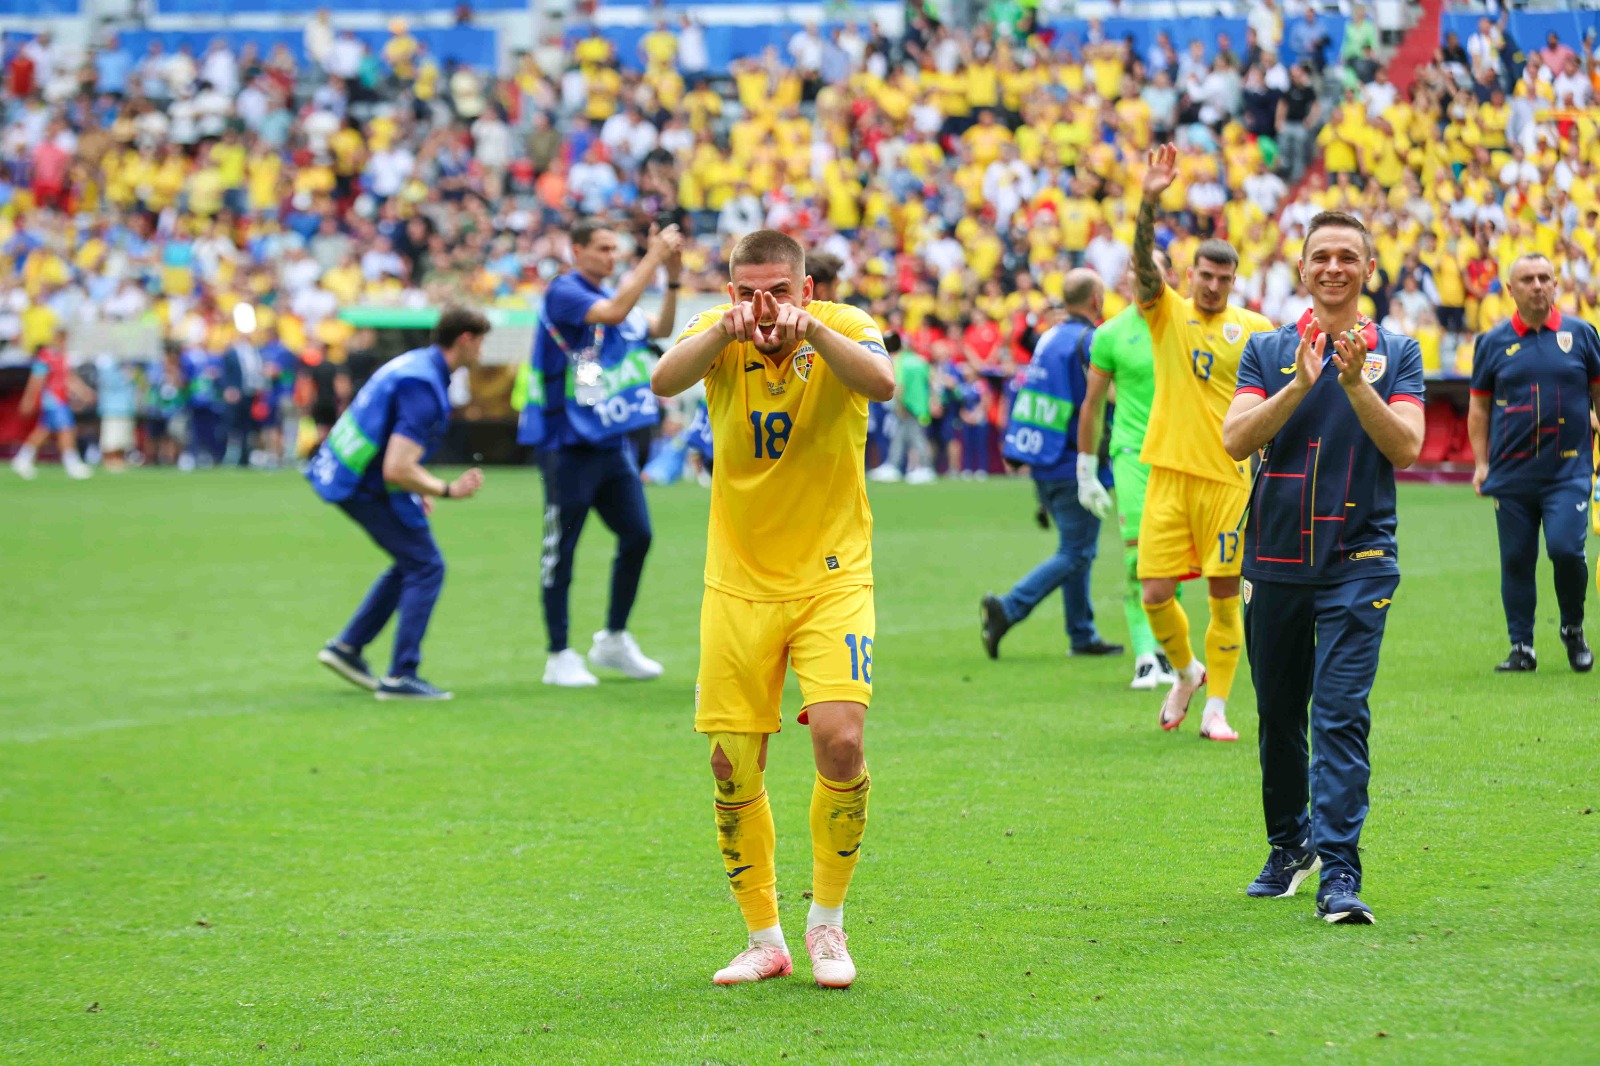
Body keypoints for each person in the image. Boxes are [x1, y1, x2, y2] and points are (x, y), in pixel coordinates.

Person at [650, 229, 895, 989]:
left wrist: (810, 330)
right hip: (738, 584)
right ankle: (764, 937)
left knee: (840, 742)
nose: (763, 306)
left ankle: (827, 925)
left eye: (778, 292)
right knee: (731, 763)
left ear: (806, 289)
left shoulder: (845, 327)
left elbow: (881, 384)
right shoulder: (717, 336)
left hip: (832, 578)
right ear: (730, 293)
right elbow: (663, 380)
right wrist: (722, 329)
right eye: (748, 291)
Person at [1222, 211, 1426, 924]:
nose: (1334, 267)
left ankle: (1340, 872)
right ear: (1301, 269)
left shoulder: (1398, 352)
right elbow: (1234, 440)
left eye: (1348, 256)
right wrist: (1301, 385)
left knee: (1339, 715)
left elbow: (1407, 449)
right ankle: (1290, 845)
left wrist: (1352, 385)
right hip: (1273, 561)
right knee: (1279, 716)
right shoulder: (1265, 350)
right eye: (1321, 256)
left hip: (1359, 560)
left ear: (1368, 269)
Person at [1132, 144, 1274, 742]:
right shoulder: (1166, 312)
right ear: (1188, 276)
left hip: (1227, 479)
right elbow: (1141, 265)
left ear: (1234, 281)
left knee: (1222, 594)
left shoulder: (1257, 330)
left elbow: (1273, 402)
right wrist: (1148, 202)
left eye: (1223, 279)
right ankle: (1186, 671)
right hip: (1168, 472)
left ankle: (1216, 707)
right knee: (1155, 592)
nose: (1213, 286)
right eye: (1205, 277)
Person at [518, 219, 683, 687]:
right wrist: (651, 257)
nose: (611, 256)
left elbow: (661, 326)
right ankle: (558, 654)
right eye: (602, 248)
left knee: (638, 535)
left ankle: (613, 638)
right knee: (562, 550)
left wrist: (671, 277)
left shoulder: (614, 298)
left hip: (609, 442)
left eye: (616, 249)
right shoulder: (565, 292)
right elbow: (611, 312)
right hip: (566, 445)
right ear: (576, 250)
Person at [307, 306, 492, 701]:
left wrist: (416, 485)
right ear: (465, 339)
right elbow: (396, 468)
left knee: (411, 562)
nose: (482, 351)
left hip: (346, 470)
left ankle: (348, 647)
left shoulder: (414, 365)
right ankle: (400, 675)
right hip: (365, 482)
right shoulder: (425, 384)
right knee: (427, 566)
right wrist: (444, 488)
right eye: (481, 342)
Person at [980, 270, 1124, 660]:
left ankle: (1081, 633)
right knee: (1077, 552)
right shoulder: (1089, 340)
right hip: (1074, 458)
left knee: (1076, 548)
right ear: (1096, 300)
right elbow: (1105, 397)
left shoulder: (1050, 337)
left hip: (1043, 458)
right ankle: (1008, 608)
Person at [1468, 253, 1600, 673]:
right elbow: (1478, 409)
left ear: (1556, 284)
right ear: (1511, 290)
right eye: (1528, 279)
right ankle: (1521, 646)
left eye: (1545, 277)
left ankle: (1572, 628)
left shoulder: (1581, 334)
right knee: (1516, 559)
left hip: (1569, 470)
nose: (1538, 285)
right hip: (1511, 474)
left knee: (1565, 550)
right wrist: (1480, 463)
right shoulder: (1491, 342)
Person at [1076, 248, 1183, 689]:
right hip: (1132, 455)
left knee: (1174, 561)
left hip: (1181, 458)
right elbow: (1092, 404)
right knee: (1141, 555)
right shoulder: (1111, 334)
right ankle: (1144, 653)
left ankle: (1168, 648)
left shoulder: (1188, 326)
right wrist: (1086, 468)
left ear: (1170, 275)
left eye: (1152, 267)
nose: (1141, 275)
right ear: (1125, 280)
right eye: (1134, 268)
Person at [12, 329, 92, 481]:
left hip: (60, 398)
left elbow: (68, 379)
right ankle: (71, 462)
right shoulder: (45, 357)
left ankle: (23, 458)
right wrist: (29, 399)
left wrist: (84, 392)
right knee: (66, 428)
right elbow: (36, 379)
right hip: (52, 399)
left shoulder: (62, 357)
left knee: (44, 430)